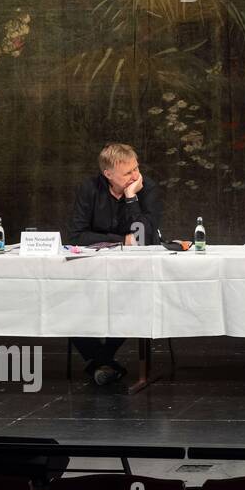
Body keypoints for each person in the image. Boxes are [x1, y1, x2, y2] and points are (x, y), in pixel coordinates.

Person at [66, 142, 162, 386]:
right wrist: (121, 240)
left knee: (133, 305)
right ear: (108, 174)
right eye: (128, 172)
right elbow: (76, 236)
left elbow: (144, 237)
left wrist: (131, 198)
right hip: (92, 269)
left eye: (136, 168)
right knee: (66, 303)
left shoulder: (147, 188)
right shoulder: (89, 188)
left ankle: (100, 362)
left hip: (134, 270)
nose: (135, 176)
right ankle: (104, 363)